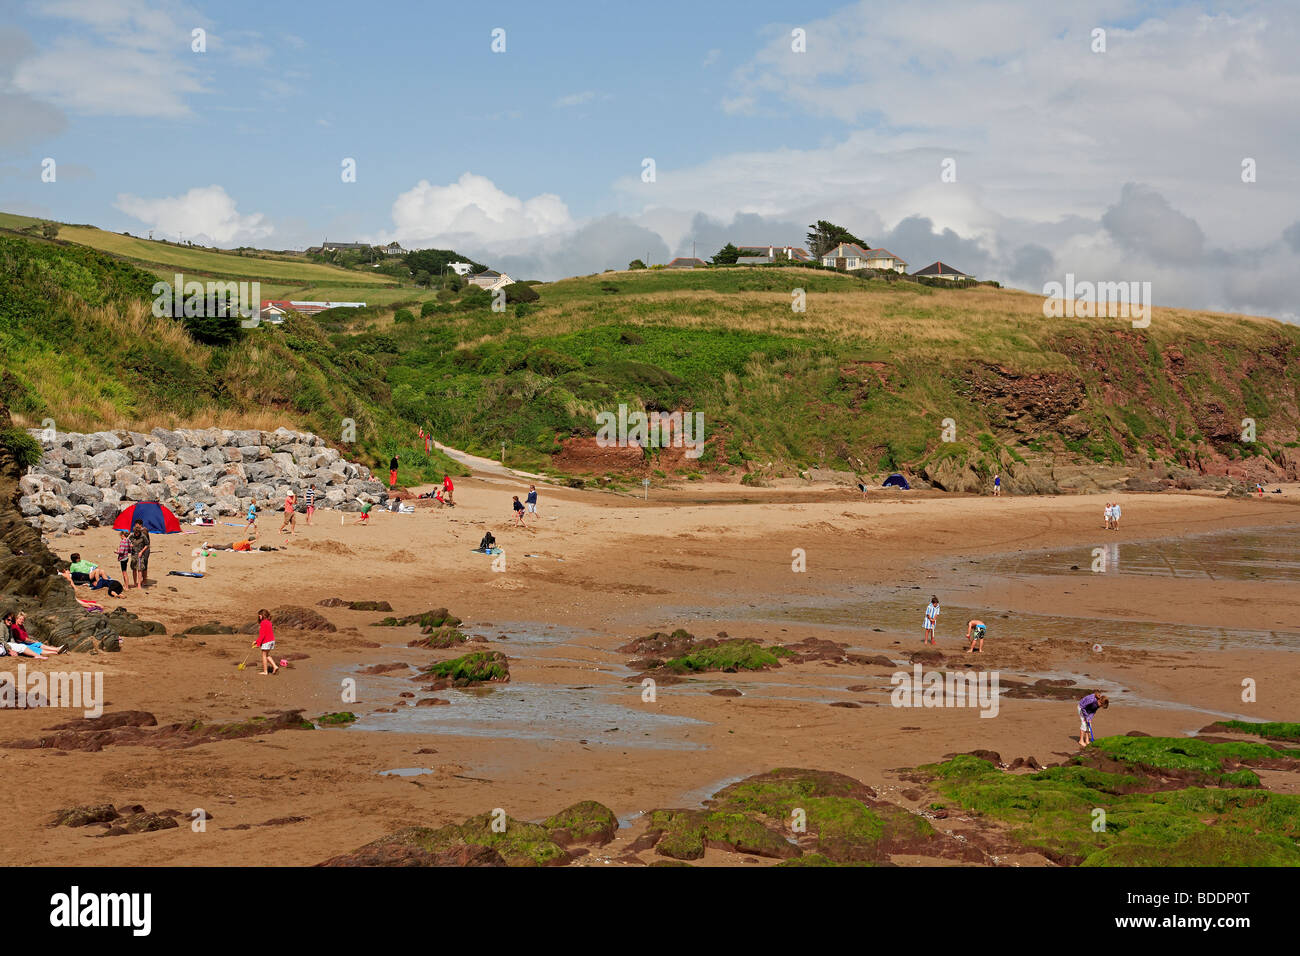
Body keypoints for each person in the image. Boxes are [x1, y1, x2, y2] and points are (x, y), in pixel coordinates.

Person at [253, 608, 279, 676]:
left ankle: (265, 671)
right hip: (272, 641)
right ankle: (275, 666)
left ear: (261, 616)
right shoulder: (269, 622)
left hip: (267, 641)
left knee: (264, 656)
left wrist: (258, 644)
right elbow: (266, 633)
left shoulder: (263, 623)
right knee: (267, 655)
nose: (259, 617)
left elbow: (262, 635)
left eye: (259, 615)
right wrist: (256, 641)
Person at [128, 521, 150, 589]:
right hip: (133, 554)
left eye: (137, 533)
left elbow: (147, 544)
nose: (136, 534)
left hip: (140, 555)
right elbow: (128, 542)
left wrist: (141, 552)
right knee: (134, 569)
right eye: (135, 533)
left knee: (140, 570)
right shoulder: (132, 536)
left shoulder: (143, 536)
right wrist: (130, 545)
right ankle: (135, 583)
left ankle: (139, 584)